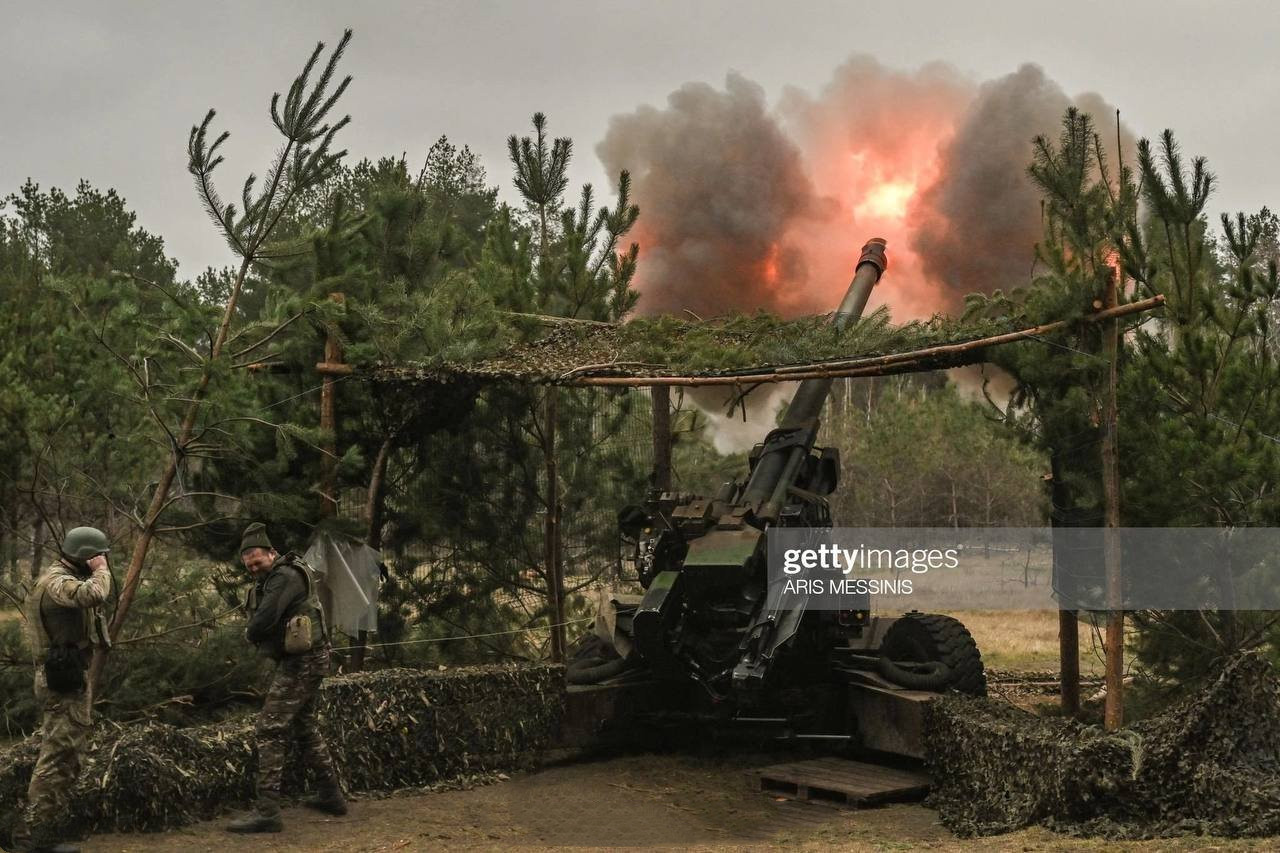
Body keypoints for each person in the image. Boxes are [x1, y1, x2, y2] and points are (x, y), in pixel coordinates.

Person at [226, 522, 347, 834]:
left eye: (258, 561)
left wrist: (249, 633)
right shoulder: (276, 576)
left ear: (272, 553)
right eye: (249, 564)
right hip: (308, 659)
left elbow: (264, 619)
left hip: (302, 662)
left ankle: (267, 812)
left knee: (269, 729)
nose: (254, 568)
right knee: (304, 727)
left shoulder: (285, 576)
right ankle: (331, 796)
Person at [11, 527, 114, 853]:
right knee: (56, 756)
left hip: (68, 678)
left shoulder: (65, 576)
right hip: (60, 682)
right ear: (86, 555)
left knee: (69, 753)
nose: (103, 560)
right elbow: (92, 595)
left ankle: (47, 829)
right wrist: (101, 571)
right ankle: (33, 837)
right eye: (99, 555)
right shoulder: (57, 582)